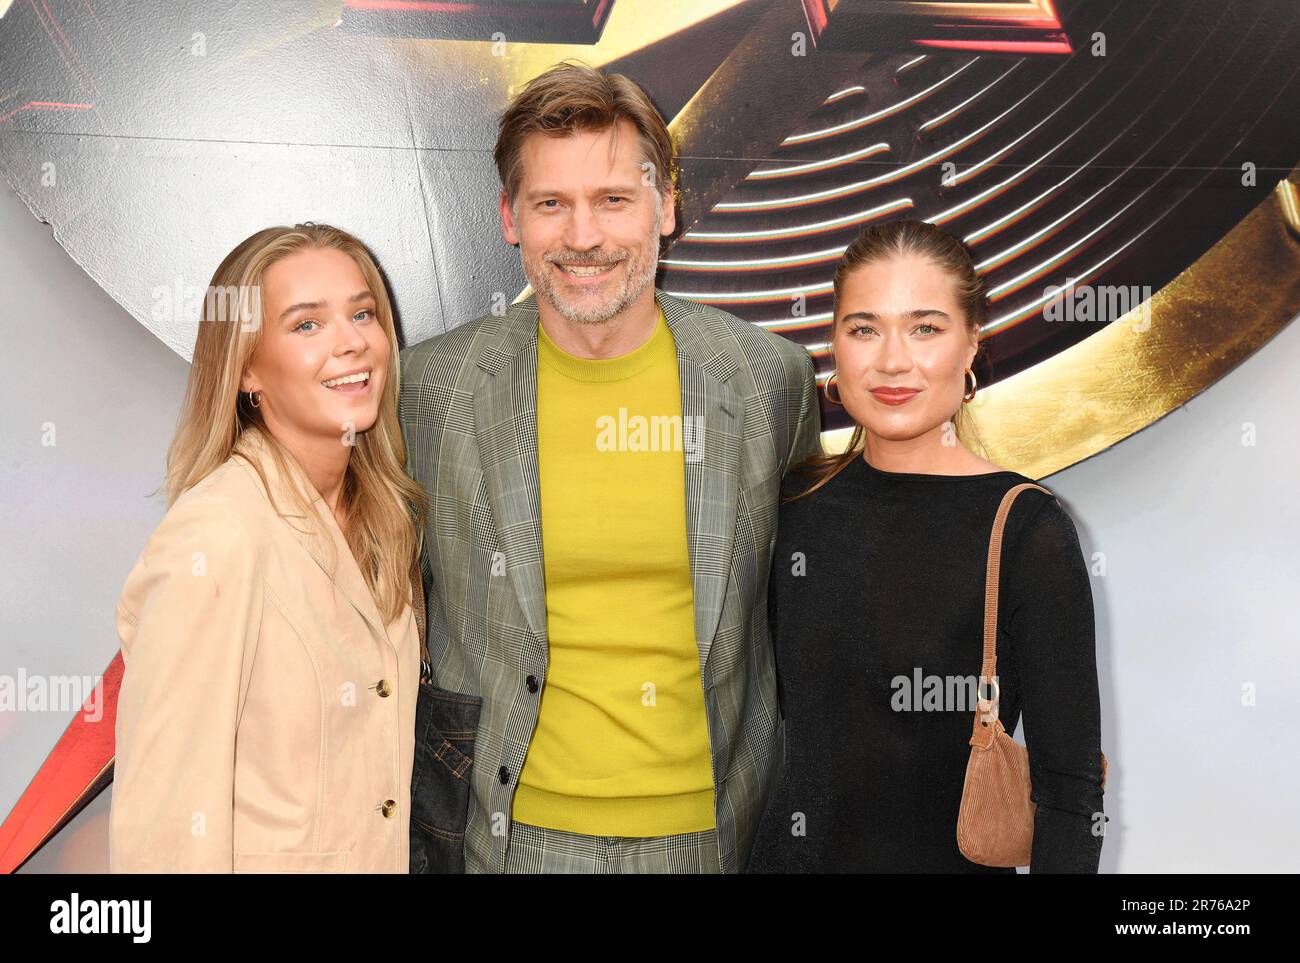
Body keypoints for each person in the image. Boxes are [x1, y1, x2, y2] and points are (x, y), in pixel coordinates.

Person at [400, 61, 822, 874]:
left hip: (712, 837)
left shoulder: (769, 380)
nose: (583, 236)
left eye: (614, 200)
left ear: (667, 206)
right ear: (508, 217)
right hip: (505, 837)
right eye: (551, 202)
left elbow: (800, 609)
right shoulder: (430, 389)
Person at [747, 218, 1107, 873]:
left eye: (926, 327)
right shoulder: (793, 506)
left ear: (971, 344)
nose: (891, 360)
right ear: (833, 343)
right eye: (863, 327)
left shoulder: (1025, 528)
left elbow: (1070, 789)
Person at [110, 223, 428, 872]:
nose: (352, 342)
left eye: (362, 312)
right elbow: (163, 828)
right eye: (306, 325)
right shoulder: (219, 534)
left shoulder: (381, 519)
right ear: (247, 367)